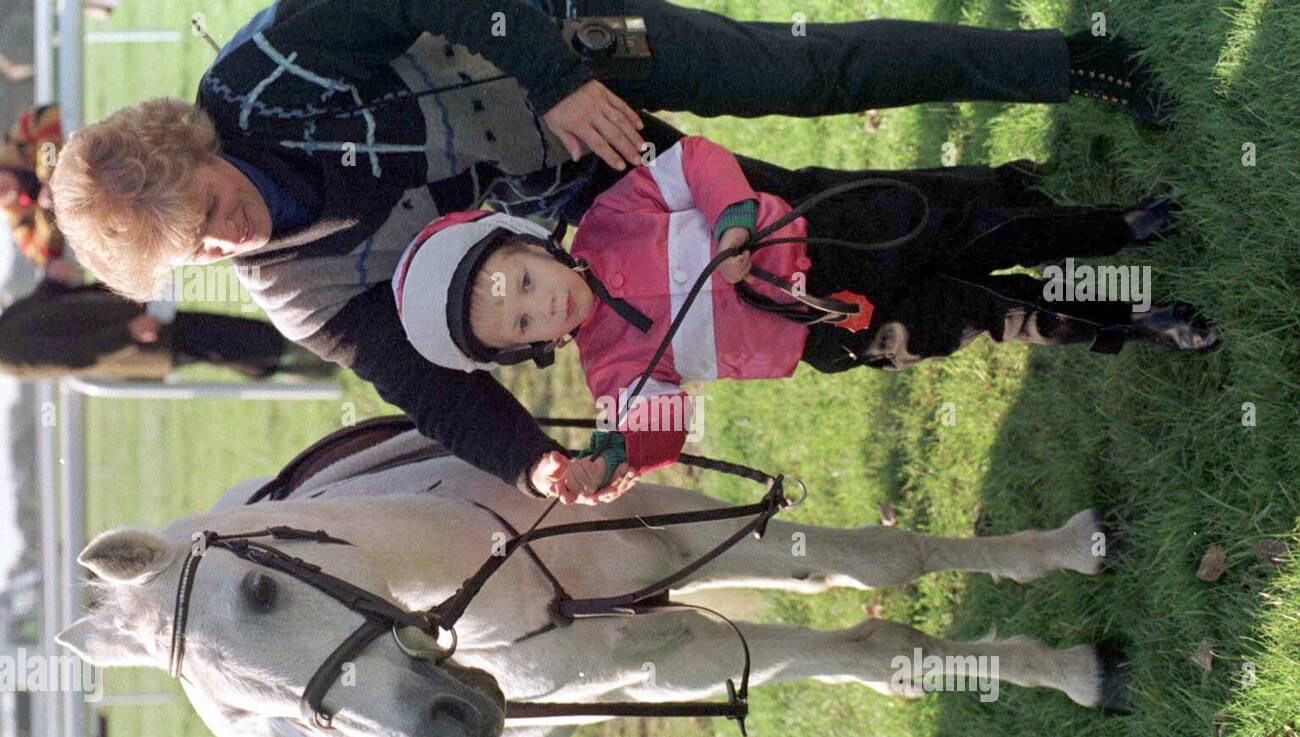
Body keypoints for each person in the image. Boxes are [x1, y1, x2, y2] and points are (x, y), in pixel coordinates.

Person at [48, 0, 1174, 502]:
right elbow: (413, 380)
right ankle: (1067, 243)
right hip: (606, 210)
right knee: (830, 243)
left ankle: (1071, 64)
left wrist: (557, 76)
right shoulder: (290, 288)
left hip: (571, 44)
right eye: (193, 251)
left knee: (795, 74)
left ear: (187, 143)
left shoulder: (265, 69)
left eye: (205, 204)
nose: (222, 235)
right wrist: (530, 461)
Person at [390, 135, 1219, 496]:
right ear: (527, 352)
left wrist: (733, 223)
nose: (544, 306)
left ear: (532, 243)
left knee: (990, 231)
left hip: (839, 231)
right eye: (525, 325)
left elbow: (699, 164)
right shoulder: (613, 366)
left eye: (524, 283)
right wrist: (614, 455)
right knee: (997, 312)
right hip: (842, 332)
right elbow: (661, 425)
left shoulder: (616, 213)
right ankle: (1137, 318)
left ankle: (1117, 228)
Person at [0, 277, 331, 382]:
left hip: (147, 322)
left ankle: (319, 361)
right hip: (148, 340)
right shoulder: (6, 353)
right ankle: (325, 357)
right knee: (244, 341)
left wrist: (51, 282)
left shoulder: (5, 324)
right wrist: (128, 334)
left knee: (239, 343)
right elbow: (71, 357)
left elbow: (46, 304)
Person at [1, 103, 64, 268]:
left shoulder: (16, 143)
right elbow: (45, 256)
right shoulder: (21, 224)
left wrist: (48, 175)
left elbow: (48, 117)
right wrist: (46, 210)